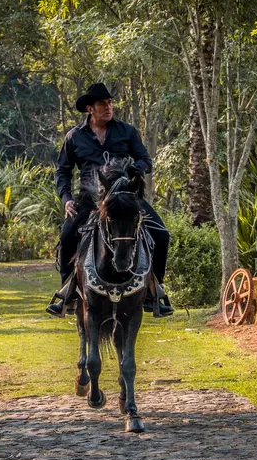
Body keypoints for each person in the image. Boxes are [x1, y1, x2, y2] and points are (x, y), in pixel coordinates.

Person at [46, 83, 173, 317]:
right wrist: (66, 199)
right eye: (103, 104)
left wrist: (134, 169)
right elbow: (63, 172)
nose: (109, 107)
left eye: (110, 103)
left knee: (162, 235)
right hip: (89, 200)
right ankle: (67, 293)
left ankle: (155, 293)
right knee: (66, 237)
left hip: (124, 198)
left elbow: (146, 159)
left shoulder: (127, 131)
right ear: (90, 108)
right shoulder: (74, 137)